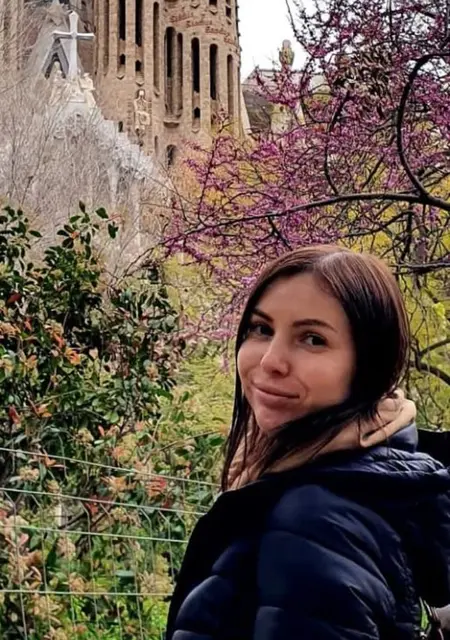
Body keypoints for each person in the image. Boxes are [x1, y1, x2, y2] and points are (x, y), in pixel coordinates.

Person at [165, 245, 450, 640]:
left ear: (369, 366)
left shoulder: (316, 520)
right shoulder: (342, 482)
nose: (270, 361)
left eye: (312, 339)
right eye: (262, 329)